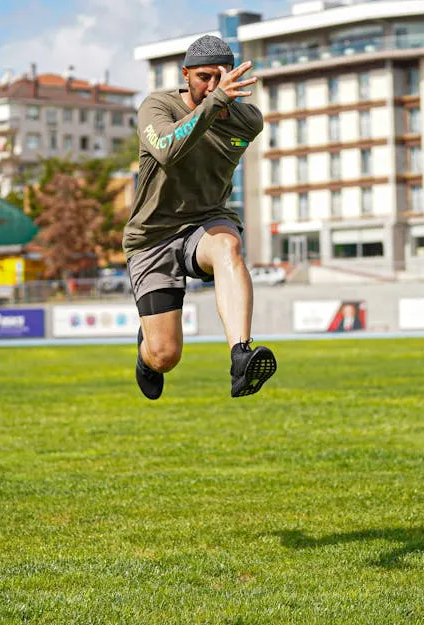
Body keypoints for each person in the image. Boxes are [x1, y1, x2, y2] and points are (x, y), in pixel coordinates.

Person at [123, 35, 277, 400]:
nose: (213, 86)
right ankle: (146, 353)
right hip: (152, 237)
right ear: (185, 75)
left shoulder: (247, 122)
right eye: (204, 77)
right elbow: (166, 150)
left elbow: (225, 121)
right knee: (165, 355)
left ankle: (240, 355)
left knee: (228, 245)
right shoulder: (156, 106)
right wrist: (218, 101)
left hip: (205, 222)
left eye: (221, 77)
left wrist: (221, 104)